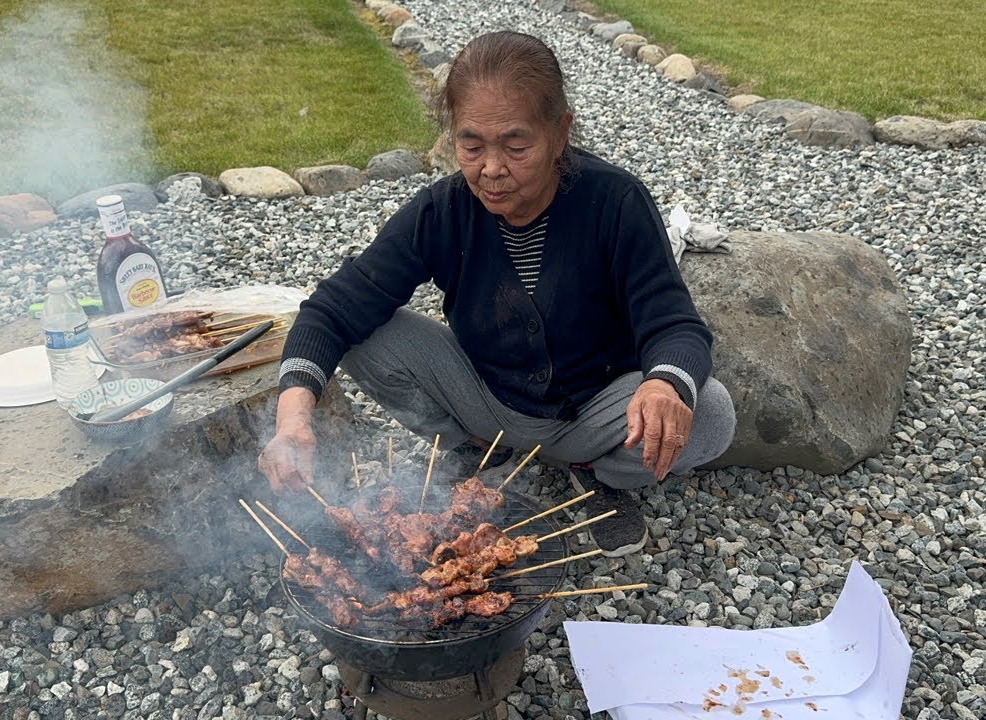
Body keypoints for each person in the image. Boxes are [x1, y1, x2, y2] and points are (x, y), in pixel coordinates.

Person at [260, 30, 736, 557]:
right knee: (363, 332)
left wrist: (664, 386)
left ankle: (597, 472)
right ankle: (478, 451)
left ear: (560, 132)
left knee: (710, 413)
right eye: (471, 146)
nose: (491, 169)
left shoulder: (615, 201)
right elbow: (330, 310)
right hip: (486, 401)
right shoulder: (442, 211)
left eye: (516, 146)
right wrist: (292, 419)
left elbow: (674, 324)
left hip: (596, 412)